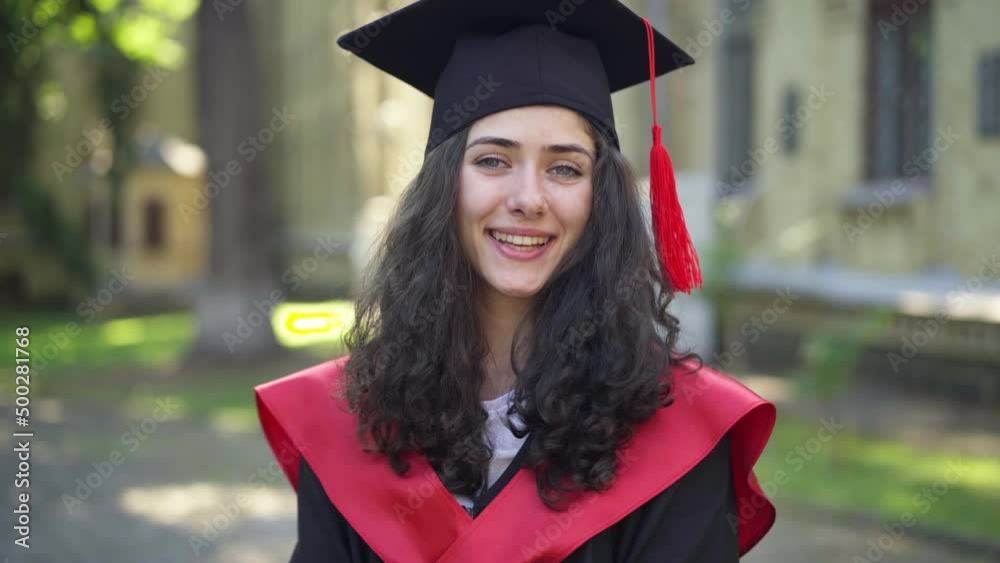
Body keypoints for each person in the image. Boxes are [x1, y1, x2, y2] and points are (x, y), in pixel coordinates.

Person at [254, 0, 778, 561]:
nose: (528, 199)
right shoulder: (350, 419)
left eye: (564, 168)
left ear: (600, 200)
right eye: (493, 161)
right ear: (444, 188)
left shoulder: (679, 432)